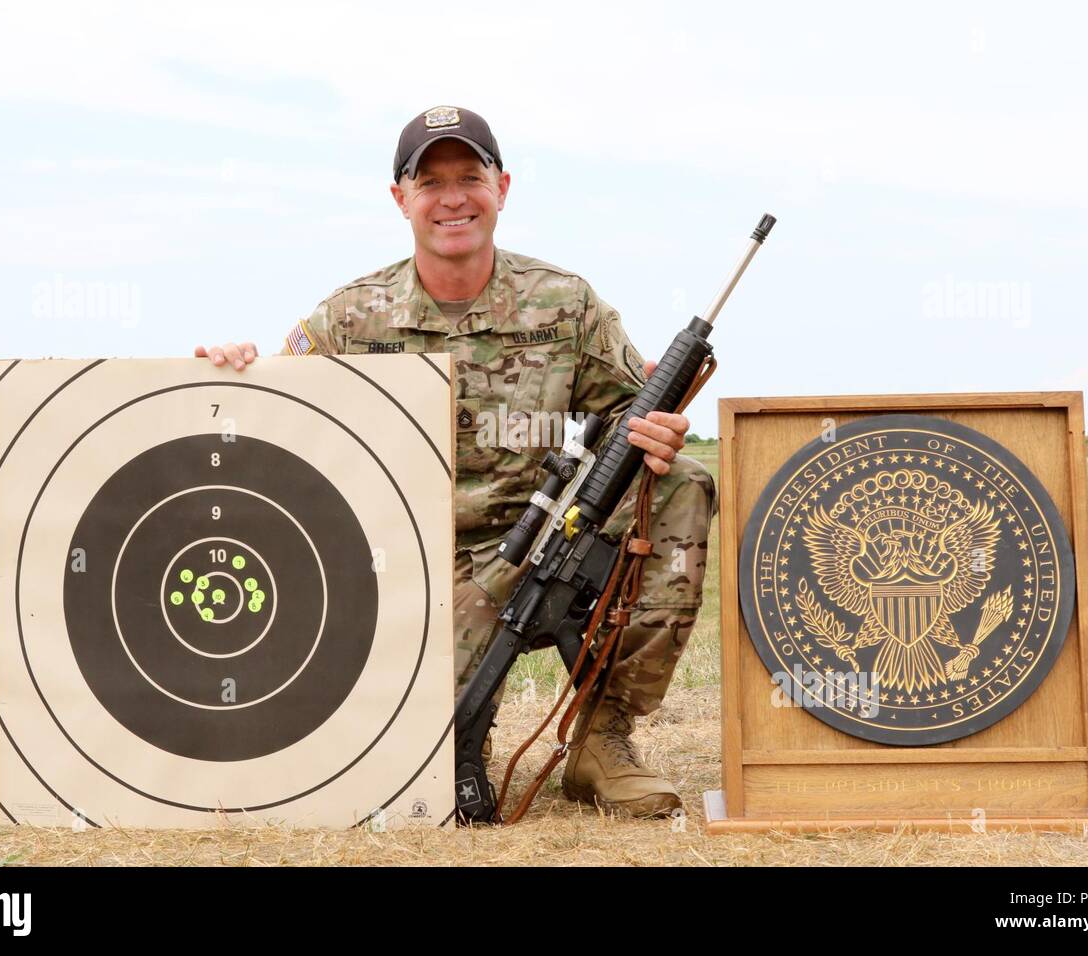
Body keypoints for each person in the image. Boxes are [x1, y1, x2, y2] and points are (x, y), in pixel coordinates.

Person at [195, 106, 715, 818]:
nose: (453, 198)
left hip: (537, 546)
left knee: (679, 483)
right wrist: (231, 372)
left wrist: (658, 432)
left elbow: (630, 410)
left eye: (470, 177)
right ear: (400, 199)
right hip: (407, 566)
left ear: (501, 186)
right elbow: (272, 422)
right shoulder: (351, 318)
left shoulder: (565, 303)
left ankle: (603, 738)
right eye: (429, 181)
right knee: (420, 763)